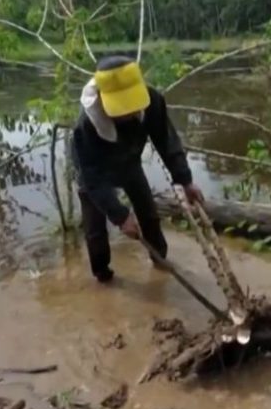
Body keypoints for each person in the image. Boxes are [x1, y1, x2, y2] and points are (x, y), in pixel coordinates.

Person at [71, 55, 204, 283]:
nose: (129, 113)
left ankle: (159, 261)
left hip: (129, 162)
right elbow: (91, 176)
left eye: (132, 106)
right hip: (94, 172)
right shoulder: (86, 126)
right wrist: (120, 216)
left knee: (149, 215)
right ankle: (102, 275)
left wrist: (185, 179)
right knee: (95, 229)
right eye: (122, 108)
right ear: (104, 99)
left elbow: (166, 140)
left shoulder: (152, 101)